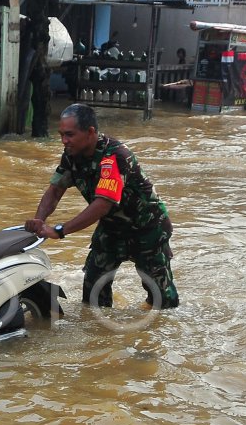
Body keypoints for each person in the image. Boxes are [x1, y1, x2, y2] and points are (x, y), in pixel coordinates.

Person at [25, 103, 178, 309]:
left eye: (69, 134)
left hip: (147, 229)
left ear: (90, 132)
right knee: (93, 294)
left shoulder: (114, 156)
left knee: (162, 302)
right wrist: (39, 220)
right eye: (61, 134)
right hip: (112, 229)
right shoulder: (71, 155)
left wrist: (59, 231)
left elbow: (102, 205)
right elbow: (55, 190)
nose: (64, 141)